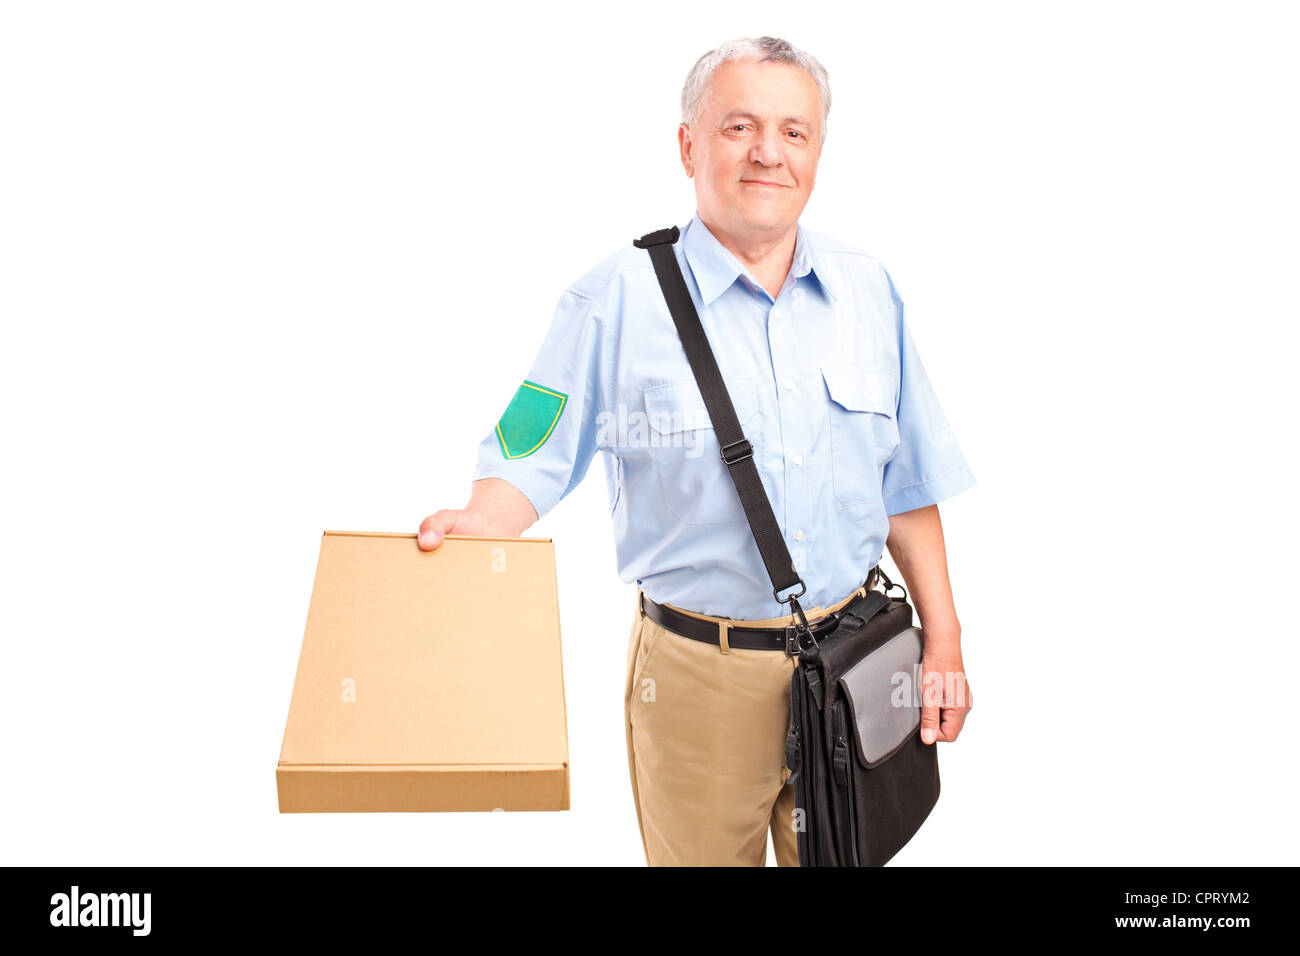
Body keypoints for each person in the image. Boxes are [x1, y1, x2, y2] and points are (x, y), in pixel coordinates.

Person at [417, 35, 975, 866]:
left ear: (818, 151)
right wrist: (477, 521)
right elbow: (529, 453)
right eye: (738, 126)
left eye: (794, 132)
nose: (767, 153)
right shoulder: (615, 298)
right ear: (688, 145)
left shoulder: (868, 289)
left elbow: (907, 483)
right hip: (697, 680)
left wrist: (946, 642)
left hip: (857, 658)